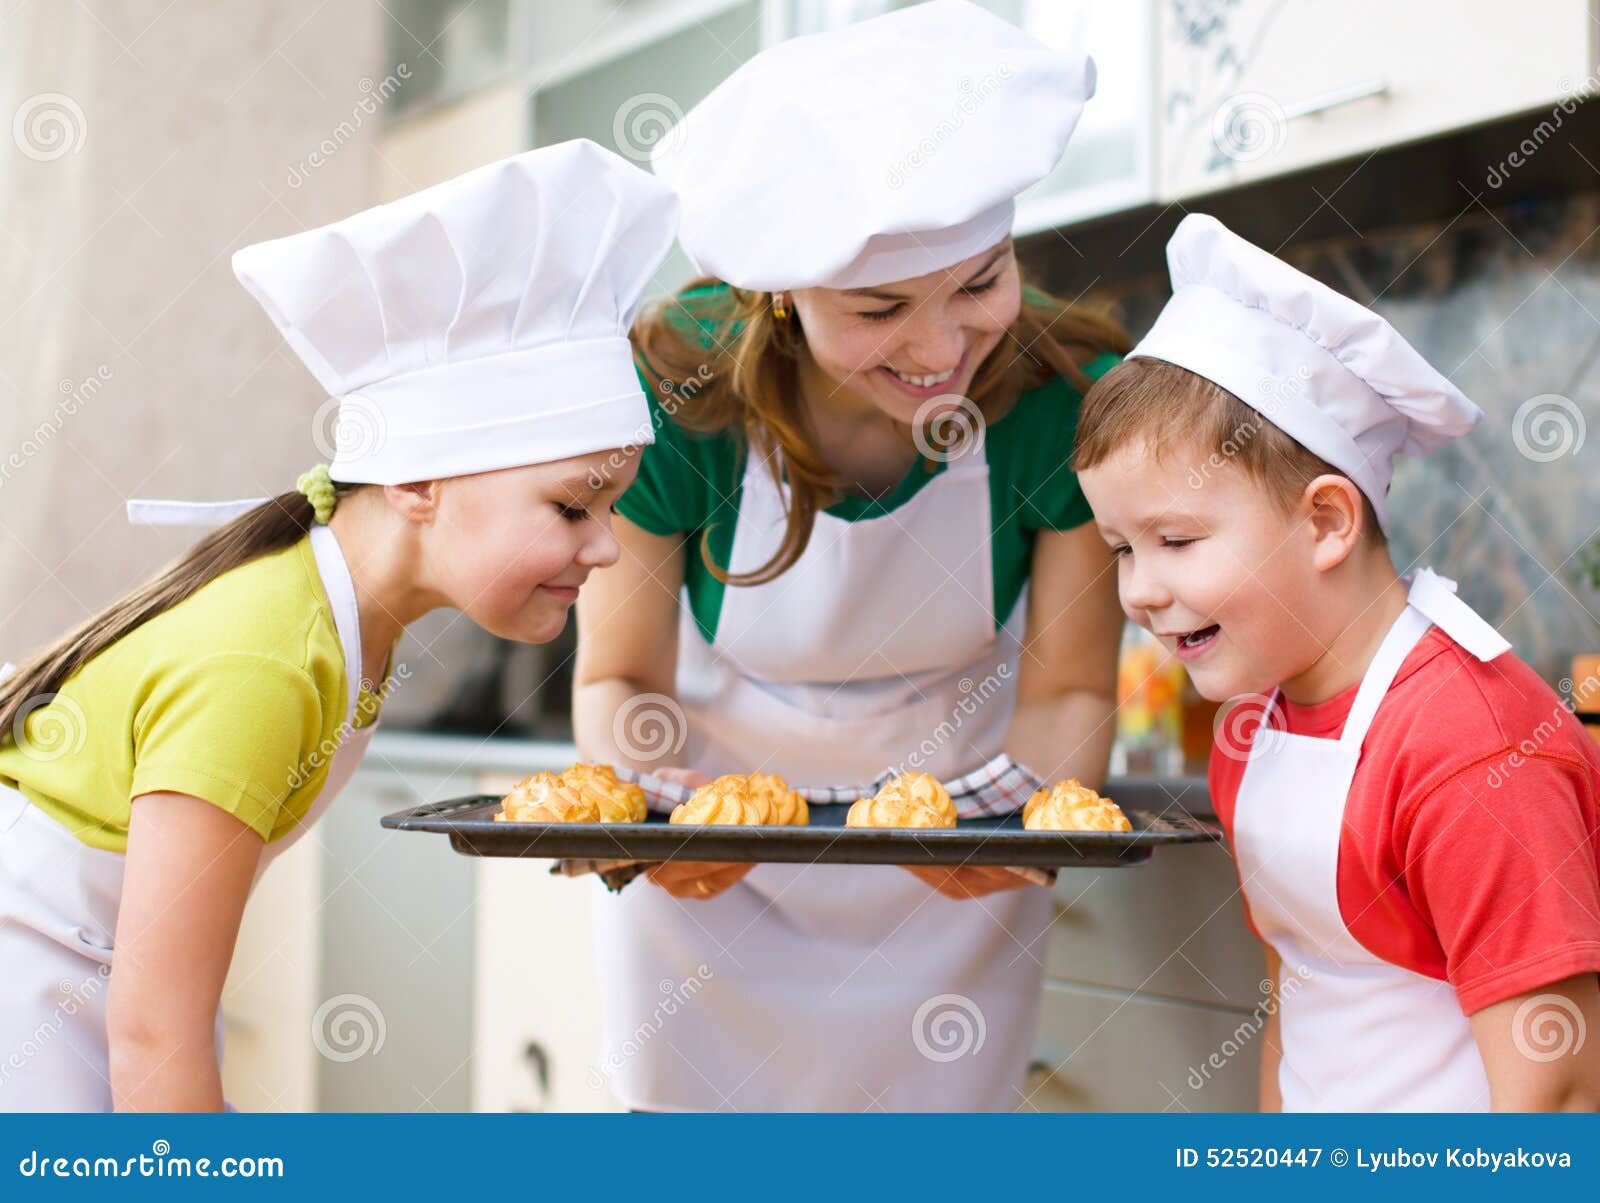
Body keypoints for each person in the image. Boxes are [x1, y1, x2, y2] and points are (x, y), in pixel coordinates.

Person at [0, 140, 677, 1111]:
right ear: (413, 481)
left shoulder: (341, 618)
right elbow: (156, 1035)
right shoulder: (265, 662)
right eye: (575, 507)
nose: (608, 549)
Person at [573, 1, 1126, 1111]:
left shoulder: (1064, 392)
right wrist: (650, 824)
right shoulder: (681, 388)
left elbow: (1069, 688)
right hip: (708, 864)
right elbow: (619, 677)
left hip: (962, 856)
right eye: (877, 309)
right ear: (779, 292)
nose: (938, 351)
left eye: (980, 283)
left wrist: (1014, 833)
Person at [1072, 212, 1600, 1111]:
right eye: (1123, 548)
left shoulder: (1468, 747)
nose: (1140, 592)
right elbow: (1298, 997)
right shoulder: (1254, 729)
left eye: (1175, 539)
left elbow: (1558, 1092)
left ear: (1326, 522)